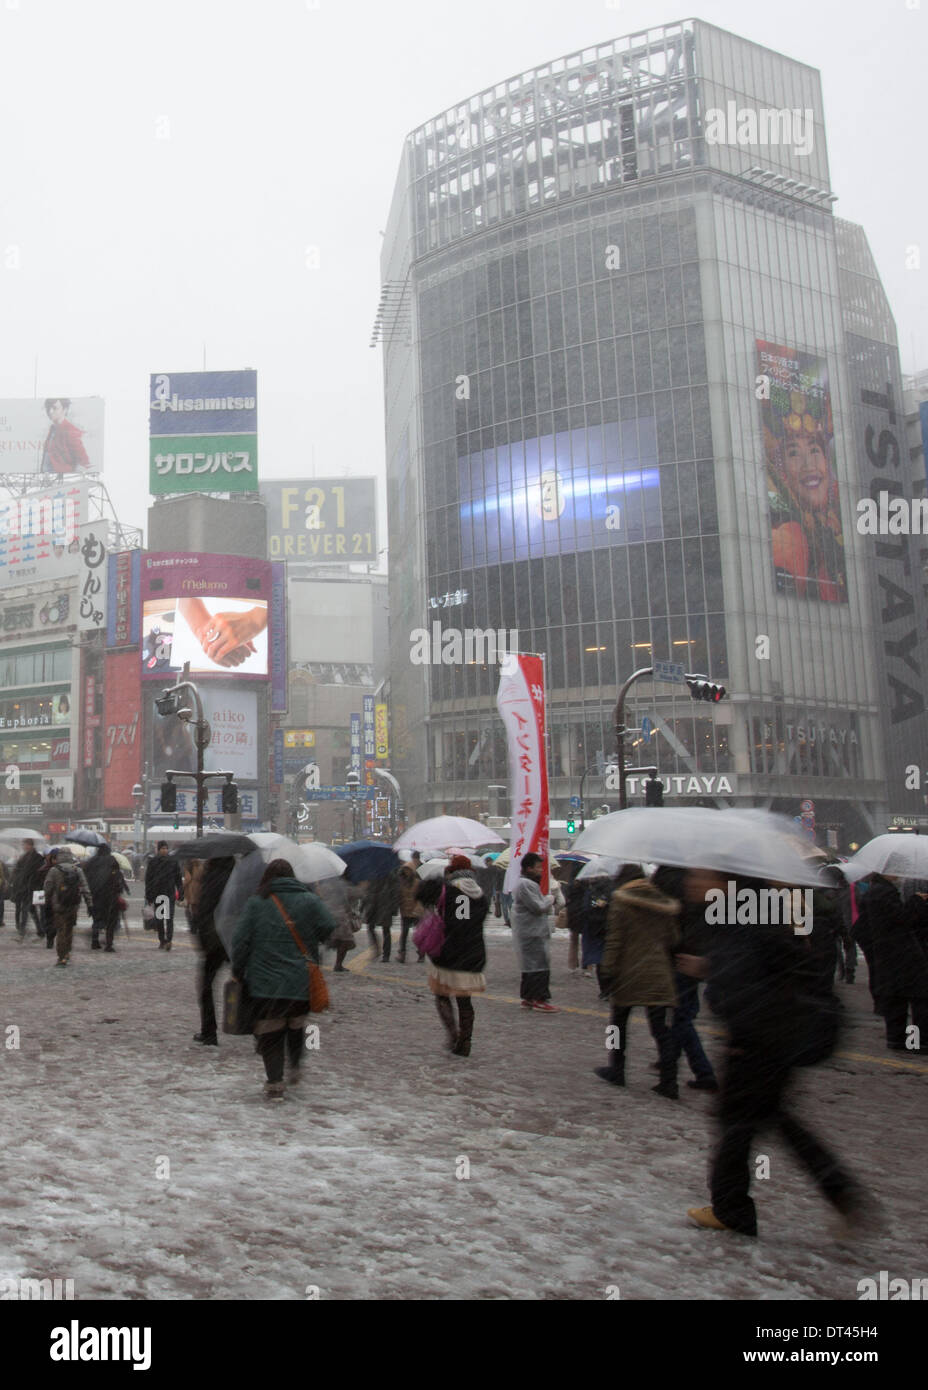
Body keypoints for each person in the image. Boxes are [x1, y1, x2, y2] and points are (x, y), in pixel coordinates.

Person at [681, 871, 866, 1238]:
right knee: (775, 1119)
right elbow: (771, 965)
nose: (693, 881)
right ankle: (840, 1189)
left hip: (758, 1039)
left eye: (702, 875)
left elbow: (744, 980)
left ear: (725, 880)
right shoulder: (757, 908)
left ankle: (732, 1211)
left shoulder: (736, 914)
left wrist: (711, 973)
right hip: (779, 1035)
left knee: (735, 1125)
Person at [230, 859, 335, 1100]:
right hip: (300, 980)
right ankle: (296, 1065)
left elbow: (240, 940)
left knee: (271, 1031)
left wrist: (238, 969)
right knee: (296, 1024)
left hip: (265, 982)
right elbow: (329, 926)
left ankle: (275, 1081)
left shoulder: (257, 903)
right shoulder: (309, 899)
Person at [595, 867, 681, 1097]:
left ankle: (616, 1068)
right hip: (658, 973)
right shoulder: (663, 902)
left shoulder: (620, 901)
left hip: (628, 973)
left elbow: (614, 940)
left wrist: (607, 970)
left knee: (616, 1025)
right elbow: (674, 938)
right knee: (661, 1030)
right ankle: (670, 1080)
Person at [651, 865, 719, 1092]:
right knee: (682, 1015)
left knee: (673, 1018)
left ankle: (691, 1071)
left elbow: (663, 920)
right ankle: (681, 1067)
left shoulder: (667, 878)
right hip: (693, 955)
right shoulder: (699, 879)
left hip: (675, 957)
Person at [417, 856, 488, 1056]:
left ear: (452, 871)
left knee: (442, 995)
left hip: (449, 951)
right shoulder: (481, 894)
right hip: (473, 951)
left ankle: (453, 1034)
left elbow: (451, 921)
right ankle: (465, 1041)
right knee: (465, 1000)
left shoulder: (448, 892)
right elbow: (473, 921)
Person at [854, 873, 928, 1052]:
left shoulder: (875, 892)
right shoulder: (884, 893)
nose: (897, 874)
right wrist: (916, 901)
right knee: (920, 998)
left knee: (896, 998)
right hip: (902, 953)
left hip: (888, 953)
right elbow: (903, 919)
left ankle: (896, 1039)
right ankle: (917, 1041)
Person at [187, 856, 236, 1045]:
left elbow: (205, 911)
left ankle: (209, 1031)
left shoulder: (211, 878)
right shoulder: (237, 878)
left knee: (206, 986)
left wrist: (200, 933)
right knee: (247, 984)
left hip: (215, 941)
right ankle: (256, 1028)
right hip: (234, 939)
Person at [510, 852, 558, 1011]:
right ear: (528, 868)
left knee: (530, 966)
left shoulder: (526, 883)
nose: (541, 871)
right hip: (532, 932)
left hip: (530, 931)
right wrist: (551, 899)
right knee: (539, 966)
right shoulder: (526, 884)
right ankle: (539, 998)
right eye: (538, 867)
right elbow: (539, 907)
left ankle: (529, 997)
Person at [43, 848, 93, 967]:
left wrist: (46, 901)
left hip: (58, 905)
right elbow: (85, 888)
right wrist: (89, 904)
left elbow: (47, 888)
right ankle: (67, 952)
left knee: (61, 930)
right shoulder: (77, 870)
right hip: (73, 904)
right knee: (69, 929)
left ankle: (61, 957)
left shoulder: (54, 870)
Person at [83, 843, 128, 952]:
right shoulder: (112, 860)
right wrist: (119, 889)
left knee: (96, 918)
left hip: (94, 895)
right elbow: (117, 877)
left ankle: (94, 941)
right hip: (109, 895)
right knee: (111, 921)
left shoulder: (91, 862)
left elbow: (85, 878)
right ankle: (109, 944)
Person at [315, 874, 361, 971]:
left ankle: (321, 956)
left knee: (328, 939)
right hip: (339, 916)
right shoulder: (340, 885)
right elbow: (347, 900)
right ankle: (338, 964)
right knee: (345, 940)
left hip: (325, 914)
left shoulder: (321, 885)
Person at [144, 841, 184, 951]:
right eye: (162, 848)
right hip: (158, 894)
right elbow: (149, 880)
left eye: (166, 848)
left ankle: (169, 940)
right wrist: (148, 895)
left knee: (170, 918)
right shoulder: (153, 862)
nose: (164, 850)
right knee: (160, 919)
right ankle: (162, 940)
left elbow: (178, 879)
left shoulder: (173, 862)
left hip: (169, 894)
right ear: (158, 849)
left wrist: (181, 893)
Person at [41, 398, 91, 474]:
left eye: (54, 408)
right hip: (48, 479)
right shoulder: (53, 428)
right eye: (48, 407)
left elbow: (84, 463)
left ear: (65, 410)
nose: (50, 411)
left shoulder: (70, 431)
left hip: (61, 480)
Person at [11, 839, 45, 940]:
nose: (24, 847)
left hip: (33, 888)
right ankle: (40, 931)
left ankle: (22, 932)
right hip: (25, 888)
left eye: (25, 845)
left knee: (25, 909)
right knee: (32, 910)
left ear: (30, 845)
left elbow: (38, 873)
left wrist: (33, 882)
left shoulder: (37, 857)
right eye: (24, 845)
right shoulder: (23, 857)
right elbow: (19, 871)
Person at [364, 870, 399, 962]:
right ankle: (376, 949)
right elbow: (367, 889)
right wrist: (364, 904)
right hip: (373, 904)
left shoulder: (390, 873)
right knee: (370, 927)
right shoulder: (371, 872)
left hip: (385, 904)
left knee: (386, 929)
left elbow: (395, 890)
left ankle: (386, 955)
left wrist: (394, 909)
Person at [396, 852, 424, 963]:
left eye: (408, 870)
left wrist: (418, 908)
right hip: (405, 912)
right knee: (404, 934)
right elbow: (399, 898)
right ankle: (402, 954)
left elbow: (421, 897)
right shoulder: (401, 883)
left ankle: (421, 953)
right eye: (405, 871)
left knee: (418, 935)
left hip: (415, 912)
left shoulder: (417, 883)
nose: (406, 873)